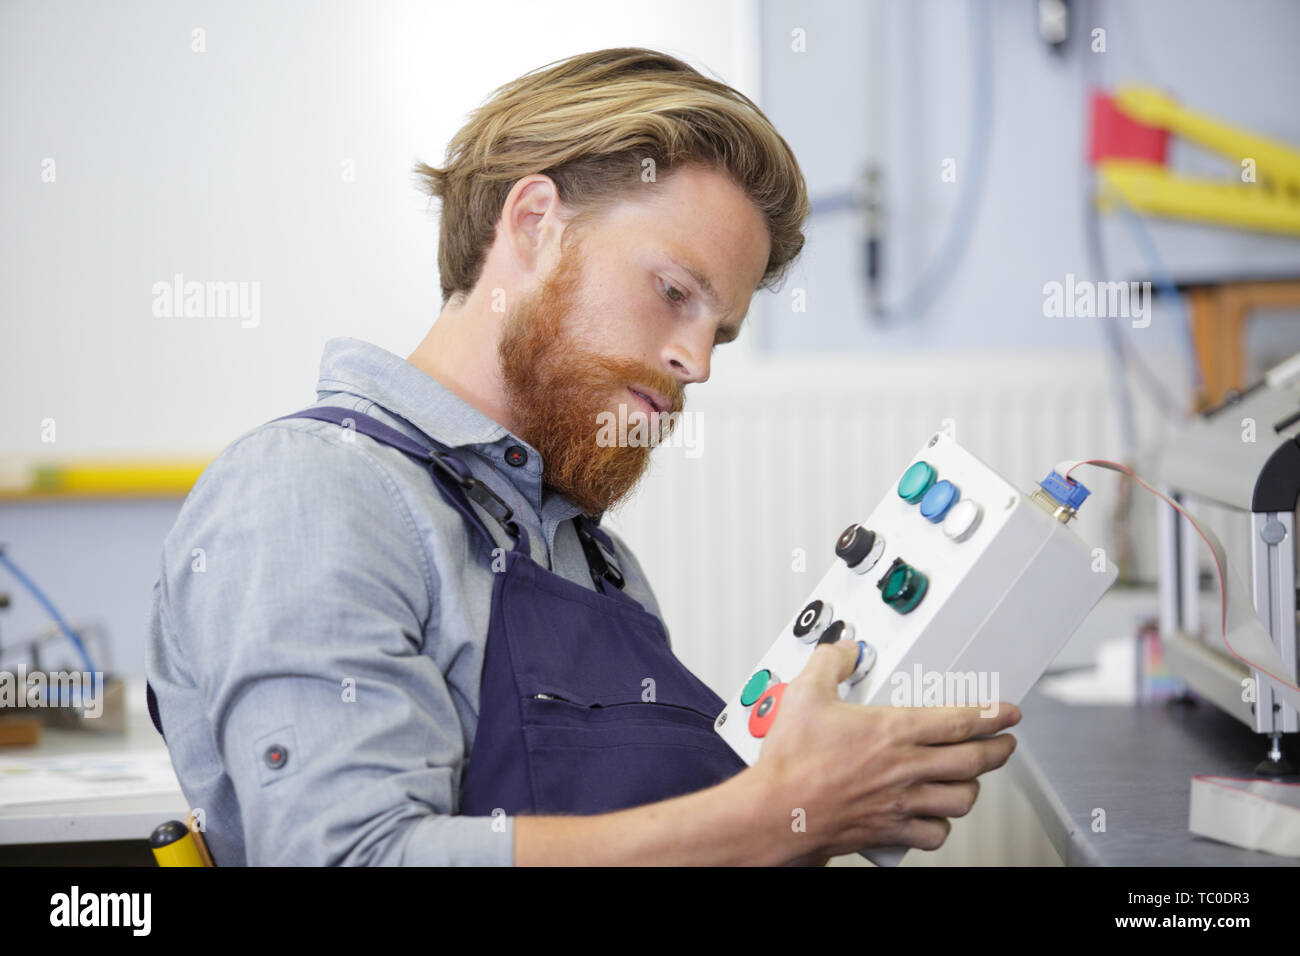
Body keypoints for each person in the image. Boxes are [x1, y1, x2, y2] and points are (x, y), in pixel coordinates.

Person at [145, 47, 1019, 866]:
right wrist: (770, 813)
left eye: (722, 330)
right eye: (674, 292)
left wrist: (820, 811)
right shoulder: (314, 488)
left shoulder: (598, 564)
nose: (698, 362)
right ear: (533, 226)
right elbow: (349, 858)